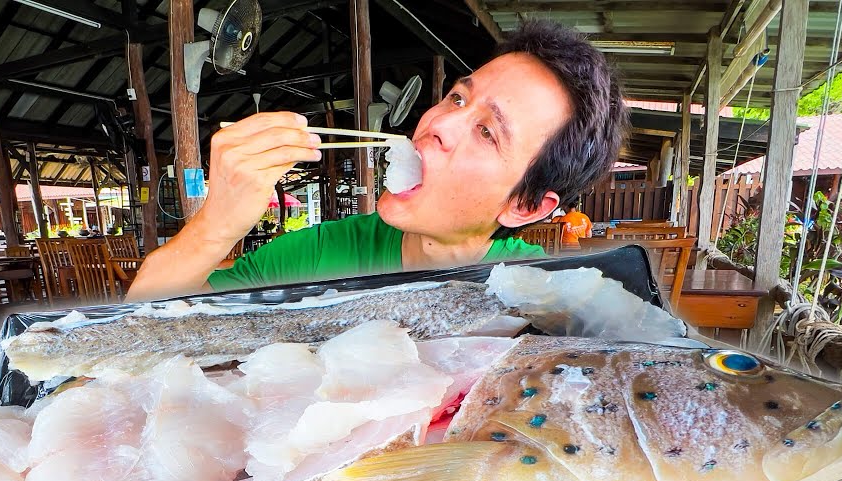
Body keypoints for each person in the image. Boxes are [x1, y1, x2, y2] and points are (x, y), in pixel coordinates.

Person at [126, 20, 628, 301]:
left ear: (524, 207)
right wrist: (215, 228)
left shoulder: (550, 297)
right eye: (456, 98)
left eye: (486, 132)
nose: (437, 124)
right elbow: (137, 337)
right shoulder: (313, 257)